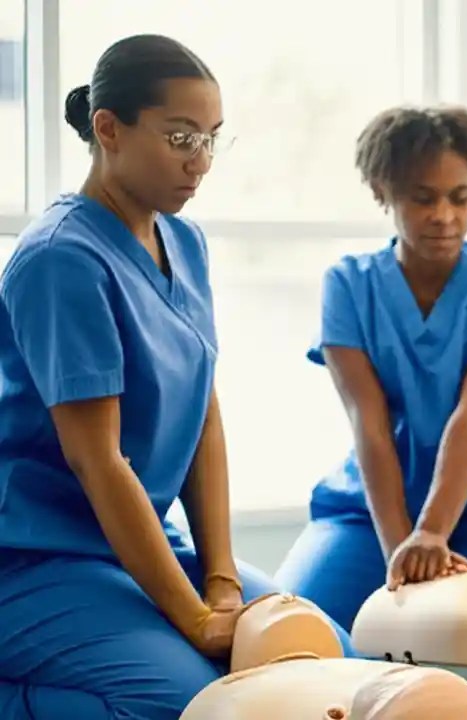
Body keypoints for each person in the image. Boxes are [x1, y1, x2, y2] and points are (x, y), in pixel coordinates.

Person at [0, 34, 353, 719]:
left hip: (138, 545)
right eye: (181, 137)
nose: (202, 163)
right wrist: (193, 621)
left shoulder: (183, 241)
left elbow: (203, 416)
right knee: (198, 707)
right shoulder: (60, 260)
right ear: (109, 129)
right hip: (32, 559)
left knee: (324, 658)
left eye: (213, 139)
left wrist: (221, 583)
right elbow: (97, 461)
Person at [273, 104, 467, 631]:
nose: (444, 215)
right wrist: (402, 553)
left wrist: (432, 533)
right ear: (381, 193)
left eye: (461, 197)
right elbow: (368, 423)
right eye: (422, 198)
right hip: (366, 518)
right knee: (293, 631)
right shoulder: (347, 283)